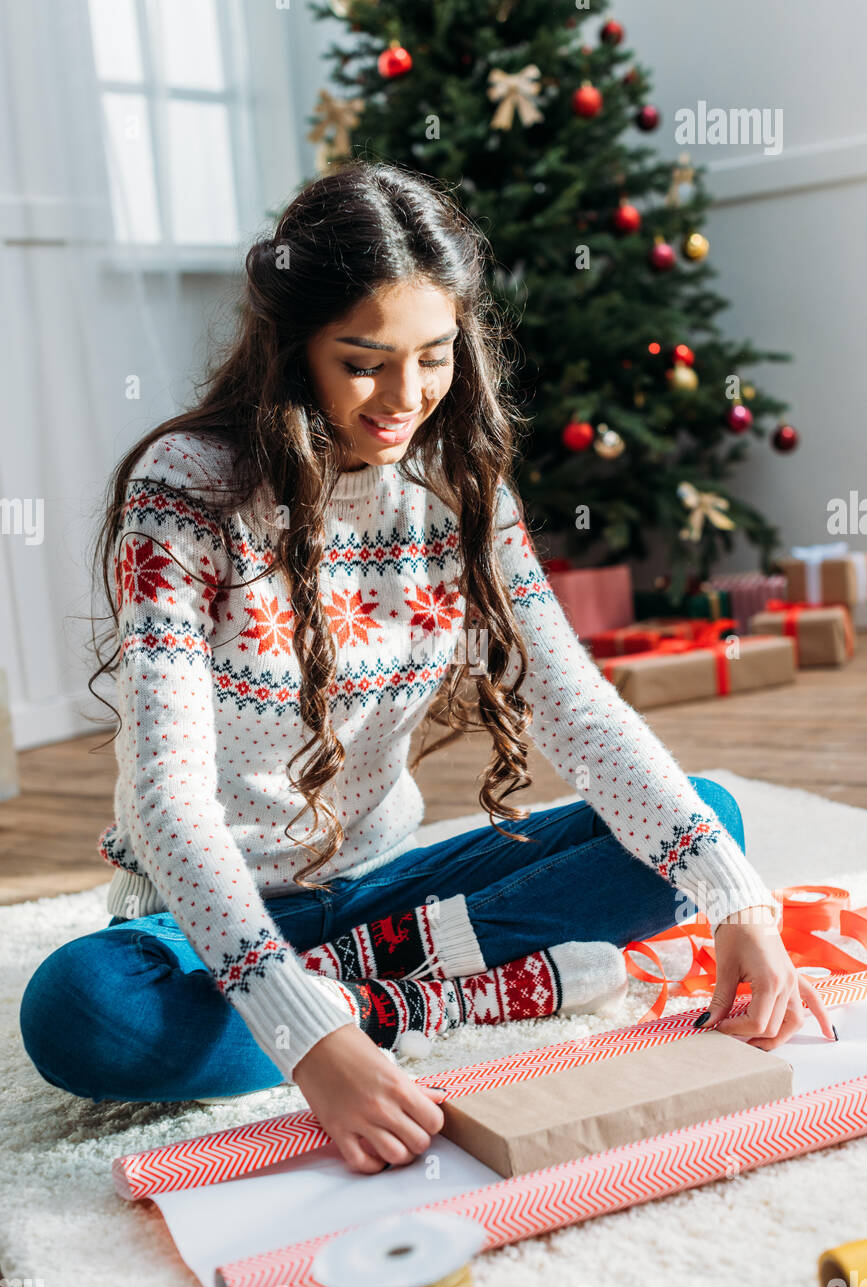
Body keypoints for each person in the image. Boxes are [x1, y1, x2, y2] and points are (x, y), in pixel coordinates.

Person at [20, 160, 832, 1176]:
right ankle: (408, 996)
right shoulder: (186, 491)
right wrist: (313, 1045)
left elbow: (580, 713)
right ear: (292, 346)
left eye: (434, 356)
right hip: (202, 917)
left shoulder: (460, 488)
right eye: (364, 362)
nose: (405, 398)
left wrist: (740, 903)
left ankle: (375, 995)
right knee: (79, 1011)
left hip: (382, 888)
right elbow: (169, 798)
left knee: (707, 826)